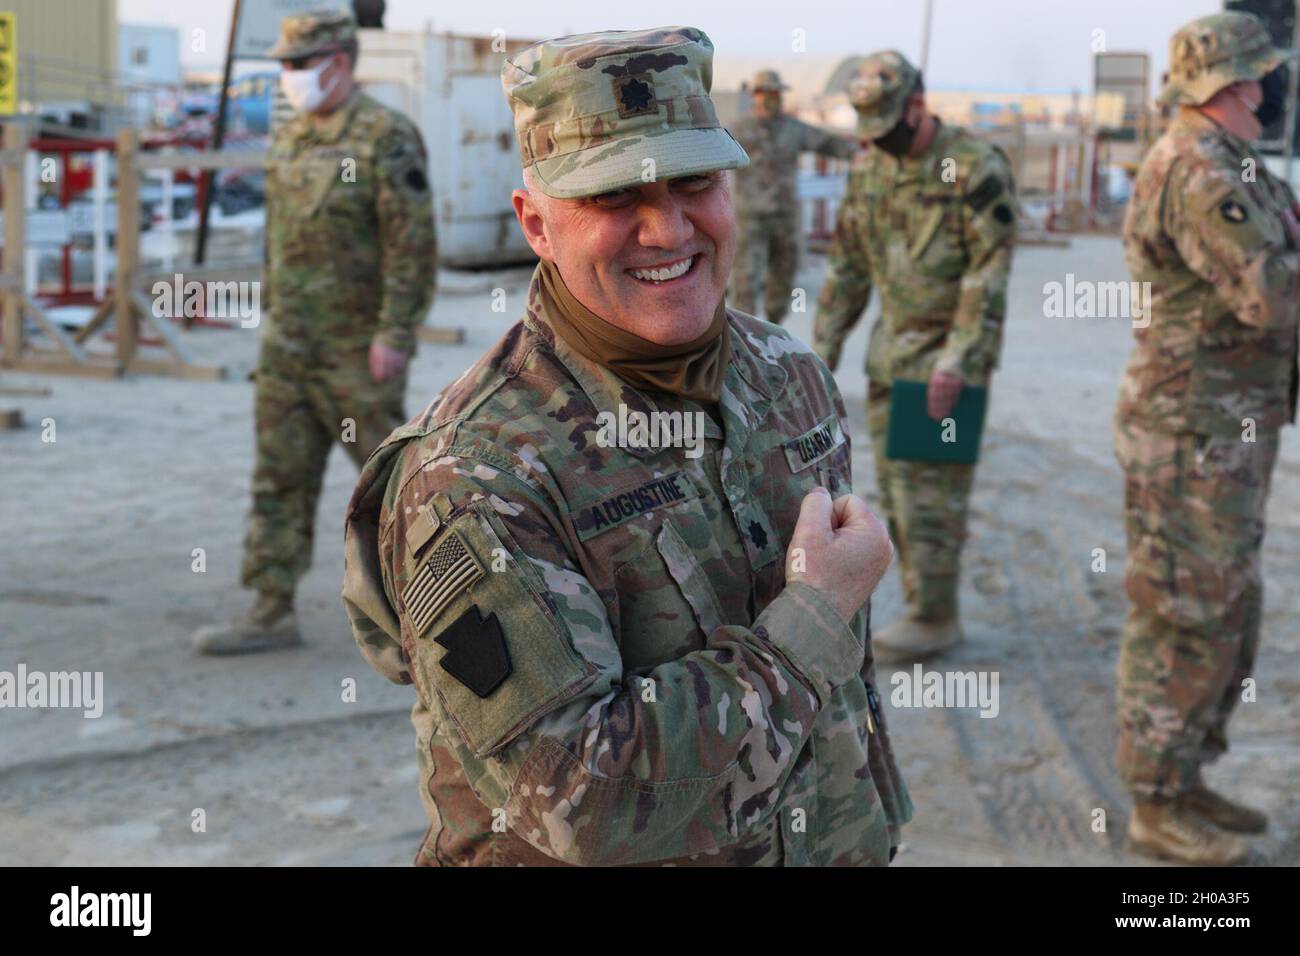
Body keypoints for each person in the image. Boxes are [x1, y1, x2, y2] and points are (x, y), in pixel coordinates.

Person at [341, 26, 912, 866]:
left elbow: (843, 702)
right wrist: (812, 620)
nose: (667, 229)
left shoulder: (790, 376)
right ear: (536, 223)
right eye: (614, 197)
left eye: (694, 182)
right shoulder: (475, 474)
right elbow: (583, 803)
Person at [1114, 10, 1299, 865]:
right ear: (1232, 80)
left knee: (1225, 605)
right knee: (1185, 612)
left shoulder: (1229, 157)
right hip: (1189, 436)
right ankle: (1155, 801)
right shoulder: (1196, 165)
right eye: (1260, 71)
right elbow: (1273, 294)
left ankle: (1186, 778)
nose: (1271, 84)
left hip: (1225, 431)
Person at [194, 9, 437, 655]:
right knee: (278, 475)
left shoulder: (386, 135)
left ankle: (441, 606)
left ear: (339, 62)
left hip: (356, 350)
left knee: (391, 486)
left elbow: (411, 244)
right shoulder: (293, 136)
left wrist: (396, 332)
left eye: (299, 64)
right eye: (283, 65)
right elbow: (281, 239)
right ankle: (270, 608)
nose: (288, 76)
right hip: (288, 344)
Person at [813, 50, 1016, 660]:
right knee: (899, 490)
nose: (881, 142)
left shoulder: (975, 167)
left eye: (891, 128)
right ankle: (927, 606)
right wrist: (821, 350)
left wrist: (957, 359)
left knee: (933, 495)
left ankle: (934, 615)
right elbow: (847, 269)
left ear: (919, 107)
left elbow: (990, 273)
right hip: (891, 359)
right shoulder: (872, 171)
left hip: (948, 368)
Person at [729, 69, 858, 324]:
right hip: (749, 216)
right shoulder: (739, 129)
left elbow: (830, 144)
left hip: (785, 216)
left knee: (784, 274)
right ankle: (742, 335)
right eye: (765, 93)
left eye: (775, 93)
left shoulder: (793, 129)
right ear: (755, 95)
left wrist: (865, 152)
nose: (770, 98)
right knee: (745, 278)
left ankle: (774, 329)